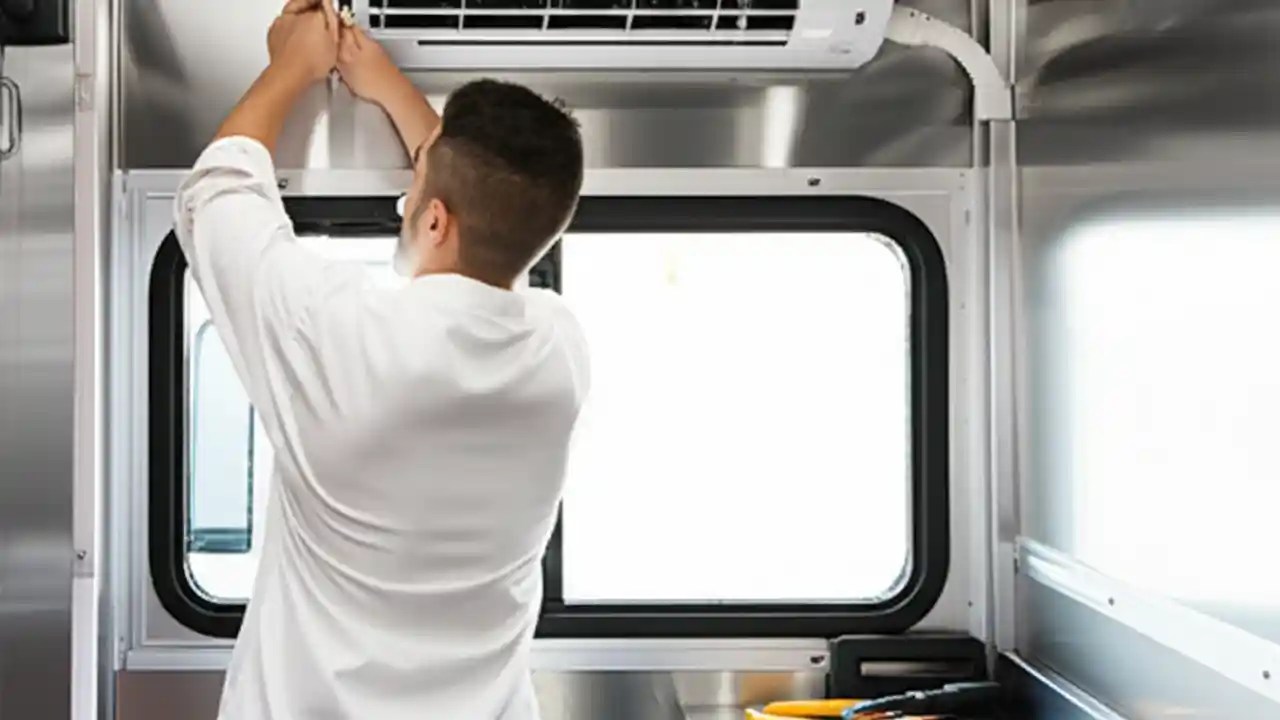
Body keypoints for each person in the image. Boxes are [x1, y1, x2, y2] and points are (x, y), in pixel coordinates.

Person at [173, 1, 589, 718]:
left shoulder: (336, 330)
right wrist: (390, 86)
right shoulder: (560, 356)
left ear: (433, 217)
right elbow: (493, 228)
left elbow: (219, 195)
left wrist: (291, 68)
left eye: (416, 189)